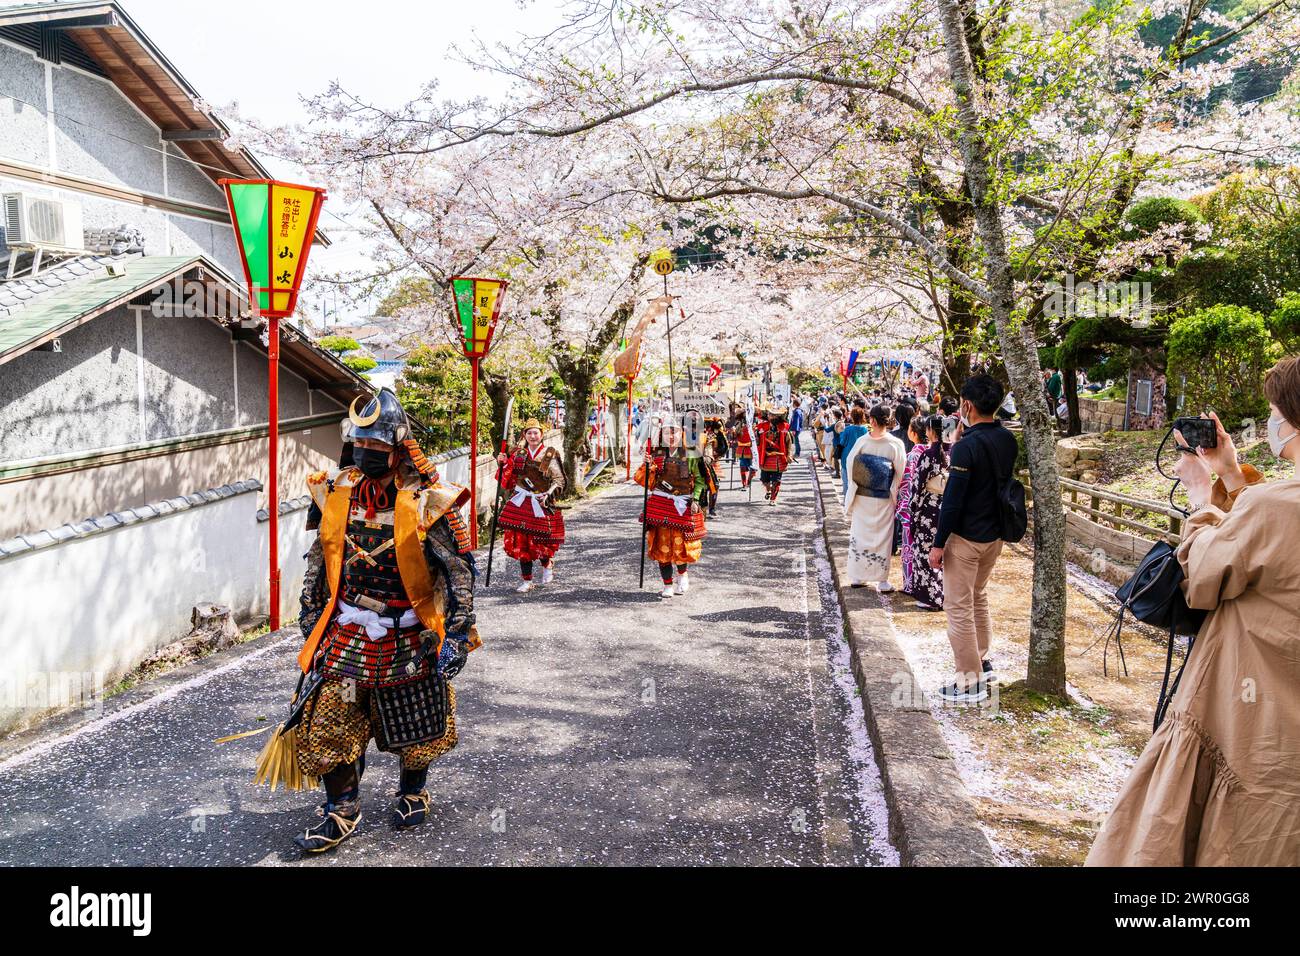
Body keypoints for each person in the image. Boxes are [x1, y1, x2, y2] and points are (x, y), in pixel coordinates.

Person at [1087, 357, 1300, 866]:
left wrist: (1203, 496)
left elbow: (1204, 577)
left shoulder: (1273, 507)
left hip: (1240, 725)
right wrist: (1231, 473)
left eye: (1274, 413)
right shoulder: (1271, 505)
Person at [275, 388, 478, 853]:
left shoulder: (428, 500)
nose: (366, 453)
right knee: (329, 717)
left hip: (411, 632)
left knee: (417, 721)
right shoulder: (334, 492)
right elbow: (319, 559)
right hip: (348, 629)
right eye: (359, 445)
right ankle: (342, 808)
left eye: (376, 447)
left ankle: (412, 790)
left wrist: (458, 633)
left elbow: (456, 569)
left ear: (398, 447)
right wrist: (310, 616)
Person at [928, 375, 1018, 703]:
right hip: (995, 534)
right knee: (978, 596)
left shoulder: (966, 446)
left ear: (967, 405)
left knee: (958, 605)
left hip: (965, 537)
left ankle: (969, 681)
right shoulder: (1007, 440)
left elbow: (953, 499)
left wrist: (938, 544)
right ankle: (981, 660)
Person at [636, 419, 708, 597]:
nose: (671, 436)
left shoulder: (692, 453)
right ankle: (667, 585)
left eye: (674, 432)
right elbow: (645, 482)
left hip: (682, 503)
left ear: (681, 433)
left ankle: (682, 574)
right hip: (661, 502)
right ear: (662, 435)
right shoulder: (655, 454)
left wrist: (696, 500)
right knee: (661, 546)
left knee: (681, 544)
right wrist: (647, 466)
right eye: (667, 432)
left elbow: (701, 480)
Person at [495, 419, 566, 593]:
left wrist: (548, 495)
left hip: (542, 501)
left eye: (536, 432)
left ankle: (547, 563)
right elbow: (507, 480)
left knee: (541, 541)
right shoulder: (518, 454)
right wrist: (502, 463)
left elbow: (560, 480)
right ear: (524, 435)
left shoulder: (549, 454)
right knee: (521, 542)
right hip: (521, 501)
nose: (532, 436)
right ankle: (527, 580)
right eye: (529, 433)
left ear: (541, 435)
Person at [842, 405, 906, 591]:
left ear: (872, 420)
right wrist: (892, 487)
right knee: (882, 538)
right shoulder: (895, 444)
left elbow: (850, 464)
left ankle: (857, 577)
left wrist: (860, 481)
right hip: (884, 497)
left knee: (860, 535)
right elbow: (900, 471)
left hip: (863, 496)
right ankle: (882, 580)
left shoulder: (862, 442)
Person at [908, 415, 948, 611]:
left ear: (931, 431)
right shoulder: (949, 453)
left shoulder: (928, 455)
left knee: (925, 551)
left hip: (928, 507)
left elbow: (917, 487)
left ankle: (929, 596)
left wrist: (913, 511)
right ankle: (943, 593)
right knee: (943, 551)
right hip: (946, 506)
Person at [896, 417, 927, 595]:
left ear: (913, 433)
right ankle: (926, 585)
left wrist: (901, 504)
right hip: (930, 508)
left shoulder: (913, 456)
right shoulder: (935, 453)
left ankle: (910, 585)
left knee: (909, 549)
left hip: (911, 508)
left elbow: (905, 484)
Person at [757, 405, 795, 504]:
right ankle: (768, 490)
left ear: (779, 417)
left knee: (776, 481)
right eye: (770, 415)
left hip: (779, 457)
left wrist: (789, 454)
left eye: (774, 415)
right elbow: (757, 441)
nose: (772, 417)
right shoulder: (762, 427)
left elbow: (789, 443)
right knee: (764, 480)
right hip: (765, 457)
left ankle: (773, 499)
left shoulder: (784, 427)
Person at [837, 406, 869, 497]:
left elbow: (842, 442)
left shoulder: (847, 429)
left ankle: (847, 503)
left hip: (847, 456)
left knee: (846, 482)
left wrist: (841, 433)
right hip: (860, 457)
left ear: (852, 417)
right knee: (858, 483)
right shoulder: (865, 429)